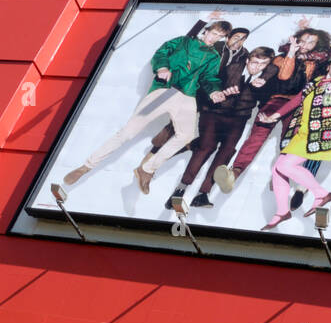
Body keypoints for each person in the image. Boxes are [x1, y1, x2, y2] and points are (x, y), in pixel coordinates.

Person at [60, 20, 228, 195]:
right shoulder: (183, 42)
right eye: (213, 34)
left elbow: (209, 78)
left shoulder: (214, 56)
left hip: (187, 96)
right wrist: (162, 68)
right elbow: (161, 53)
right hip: (164, 90)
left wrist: (214, 91)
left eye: (220, 37)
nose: (214, 39)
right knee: (128, 133)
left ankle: (147, 169)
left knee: (186, 136)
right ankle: (86, 166)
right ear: (206, 30)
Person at [150, 47, 278, 209]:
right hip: (214, 113)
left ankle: (203, 193)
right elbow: (210, 85)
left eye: (262, 64)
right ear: (247, 60)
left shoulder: (268, 75)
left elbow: (273, 72)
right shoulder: (233, 68)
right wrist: (222, 93)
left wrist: (264, 85)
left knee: (227, 152)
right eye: (254, 63)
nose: (257, 67)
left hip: (239, 119)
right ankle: (180, 190)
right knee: (205, 148)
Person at [215, 22, 331, 194]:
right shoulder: (281, 57)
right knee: (256, 137)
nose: (305, 45)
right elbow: (284, 76)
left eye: (311, 42)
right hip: (274, 100)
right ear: (296, 40)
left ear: (318, 44)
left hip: (298, 104)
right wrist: (291, 53)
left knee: (290, 141)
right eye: (303, 40)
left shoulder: (321, 63)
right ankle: (235, 171)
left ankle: (281, 175)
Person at [257, 52, 331, 230]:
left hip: (321, 134)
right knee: (278, 169)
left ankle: (321, 193)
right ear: (330, 65)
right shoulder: (317, 81)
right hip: (302, 133)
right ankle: (283, 211)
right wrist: (273, 117)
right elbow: (296, 101)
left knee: (284, 166)